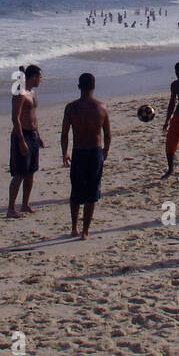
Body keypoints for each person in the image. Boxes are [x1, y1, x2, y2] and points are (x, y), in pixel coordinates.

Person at [61, 73, 110, 239]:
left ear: (79, 86)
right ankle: (85, 231)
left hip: (78, 151)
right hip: (95, 152)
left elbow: (64, 134)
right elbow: (108, 135)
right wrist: (105, 152)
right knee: (92, 192)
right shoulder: (101, 107)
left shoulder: (71, 108)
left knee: (76, 191)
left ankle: (74, 227)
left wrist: (64, 153)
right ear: (94, 87)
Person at [8, 64, 45, 218]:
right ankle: (11, 208)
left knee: (31, 172)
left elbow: (33, 115)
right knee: (20, 173)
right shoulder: (20, 93)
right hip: (22, 134)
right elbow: (15, 117)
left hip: (33, 134)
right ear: (34, 77)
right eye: (40, 77)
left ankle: (25, 204)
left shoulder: (32, 92)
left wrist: (38, 135)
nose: (41, 80)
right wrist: (21, 140)